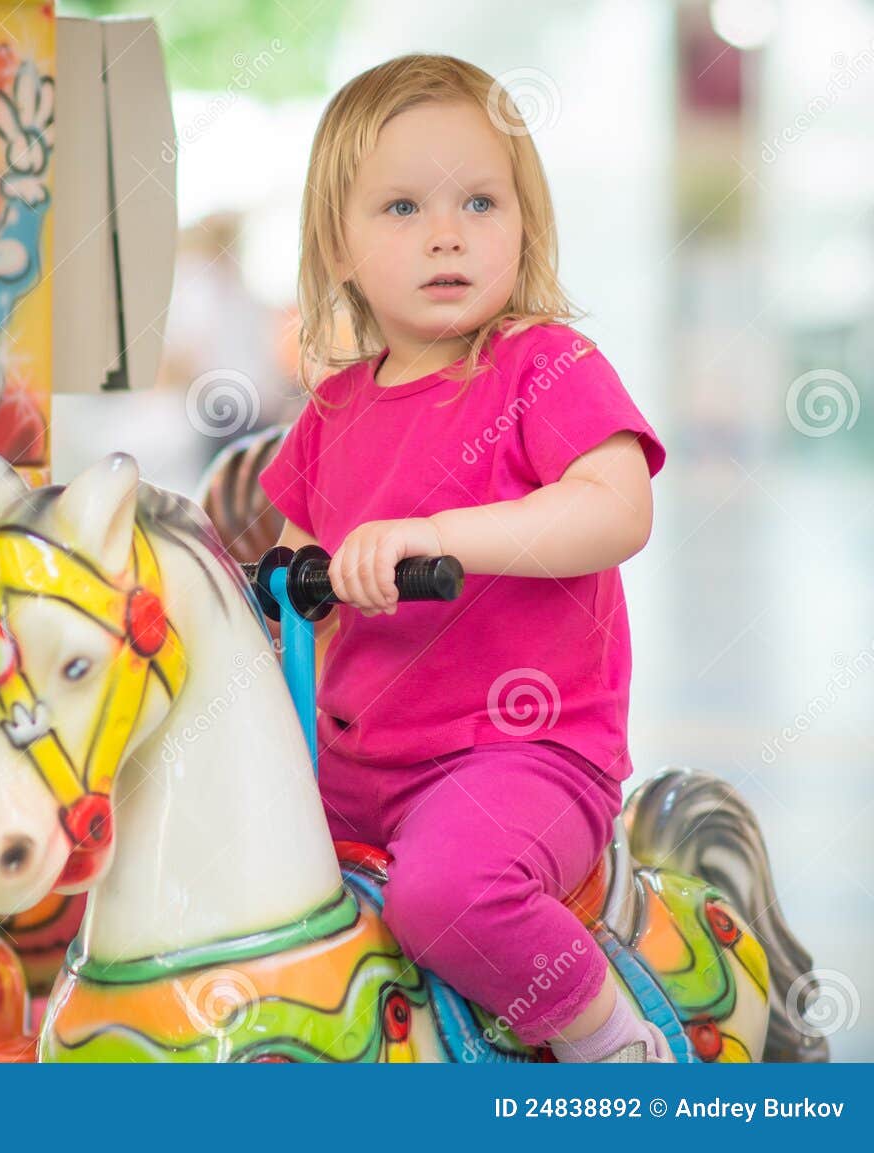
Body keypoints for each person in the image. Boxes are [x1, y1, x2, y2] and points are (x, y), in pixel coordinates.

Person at [259, 54, 672, 1062]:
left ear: (524, 223)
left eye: (479, 203)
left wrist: (437, 535)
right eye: (402, 207)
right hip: (353, 760)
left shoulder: (546, 368)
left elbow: (616, 509)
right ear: (338, 244)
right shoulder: (333, 409)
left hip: (519, 755)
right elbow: (287, 574)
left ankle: (613, 1046)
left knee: (446, 893)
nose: (446, 233)